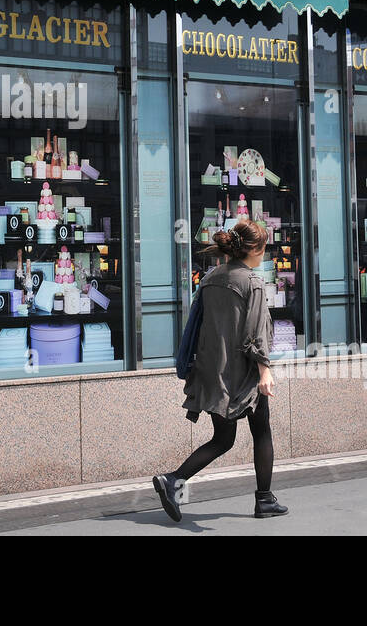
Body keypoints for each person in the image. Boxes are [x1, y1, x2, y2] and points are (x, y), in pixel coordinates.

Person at [153, 220, 286, 523]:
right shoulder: (252, 282)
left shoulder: (212, 278)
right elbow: (256, 334)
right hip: (244, 374)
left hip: (212, 370)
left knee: (223, 438)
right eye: (264, 248)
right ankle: (264, 500)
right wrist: (265, 372)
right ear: (255, 250)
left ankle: (173, 481)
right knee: (261, 431)